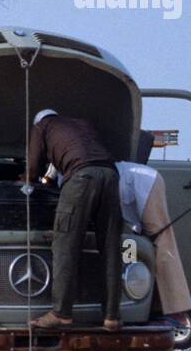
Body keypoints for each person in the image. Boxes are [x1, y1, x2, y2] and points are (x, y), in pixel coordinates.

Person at [25, 109, 123, 330]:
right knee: (110, 246)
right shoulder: (80, 123)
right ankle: (112, 316)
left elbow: (32, 167)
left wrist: (26, 179)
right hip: (110, 175)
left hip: (81, 177)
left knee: (65, 244)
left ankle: (61, 313)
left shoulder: (42, 126)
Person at [116, 160, 191, 326]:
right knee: (132, 245)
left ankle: (176, 309)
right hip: (132, 188)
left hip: (145, 183)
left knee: (161, 242)